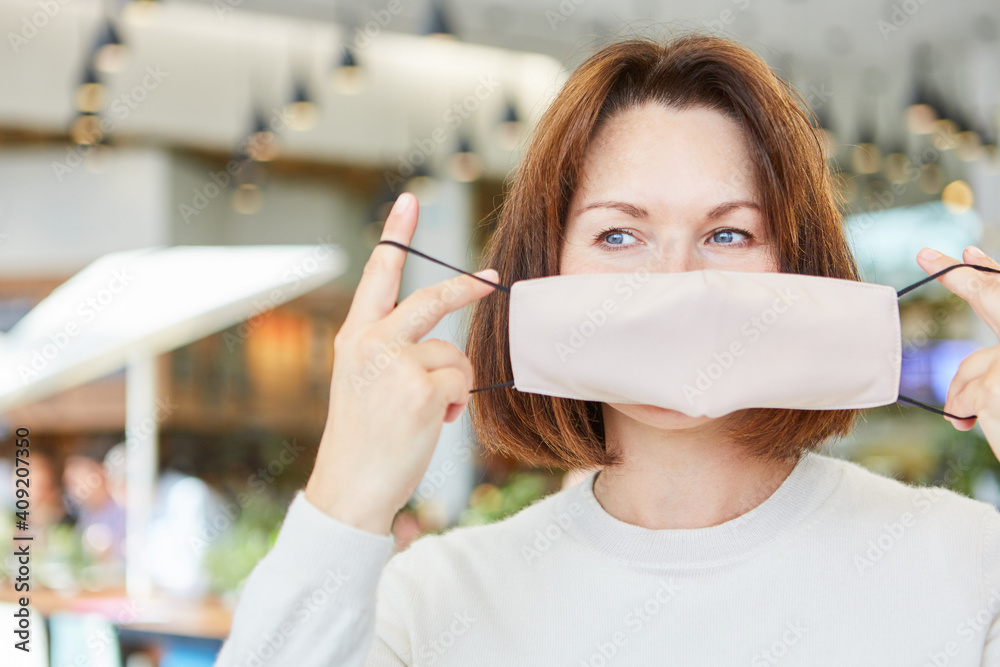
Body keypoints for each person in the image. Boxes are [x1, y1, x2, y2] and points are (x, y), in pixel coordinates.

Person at [214, 33, 1000, 666]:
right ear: (543, 268)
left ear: (797, 268)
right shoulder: (438, 601)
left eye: (728, 233)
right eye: (619, 234)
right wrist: (346, 490)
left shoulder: (963, 561)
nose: (676, 285)